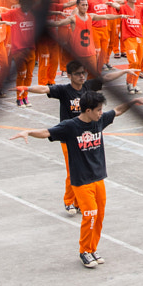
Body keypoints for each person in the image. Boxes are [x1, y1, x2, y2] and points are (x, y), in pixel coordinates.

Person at [10, 91, 143, 268]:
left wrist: (133, 101)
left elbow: (117, 111)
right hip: (81, 181)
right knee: (90, 214)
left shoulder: (98, 121)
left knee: (99, 216)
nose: (101, 113)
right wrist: (28, 132)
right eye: (98, 110)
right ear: (88, 110)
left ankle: (92, 248)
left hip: (98, 178)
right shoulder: (70, 127)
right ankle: (84, 251)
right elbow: (47, 132)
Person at [20, 60, 133, 214]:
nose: (82, 76)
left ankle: (81, 201)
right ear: (69, 75)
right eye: (78, 74)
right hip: (70, 136)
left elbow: (105, 79)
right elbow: (44, 88)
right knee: (73, 170)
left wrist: (125, 71)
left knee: (87, 170)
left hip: (87, 135)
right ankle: (69, 201)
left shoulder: (88, 86)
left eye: (83, 73)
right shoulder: (63, 90)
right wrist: (27, 88)